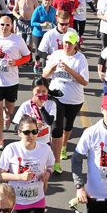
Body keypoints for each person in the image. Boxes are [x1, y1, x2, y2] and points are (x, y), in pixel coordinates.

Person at [0, 115, 55, 213]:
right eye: (27, 132)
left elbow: (51, 165)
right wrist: (20, 177)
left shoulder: (45, 149)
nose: (31, 135)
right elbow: (0, 175)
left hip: (37, 201)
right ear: (19, 133)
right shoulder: (11, 149)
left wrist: (48, 174)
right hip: (15, 202)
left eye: (34, 132)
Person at [0, 15, 33, 150]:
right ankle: (0, 136)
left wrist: (16, 62)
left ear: (12, 26)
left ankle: (7, 114)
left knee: (10, 108)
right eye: (2, 24)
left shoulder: (17, 39)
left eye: (7, 25)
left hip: (11, 81)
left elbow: (27, 56)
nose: (5, 27)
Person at [42, 30, 89, 169]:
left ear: (75, 44)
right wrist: (52, 66)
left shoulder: (80, 59)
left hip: (74, 99)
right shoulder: (56, 55)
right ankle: (56, 162)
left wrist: (69, 69)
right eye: (65, 43)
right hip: (56, 96)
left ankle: (63, 145)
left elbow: (84, 81)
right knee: (56, 128)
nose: (67, 45)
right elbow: (44, 75)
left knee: (67, 126)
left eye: (70, 43)